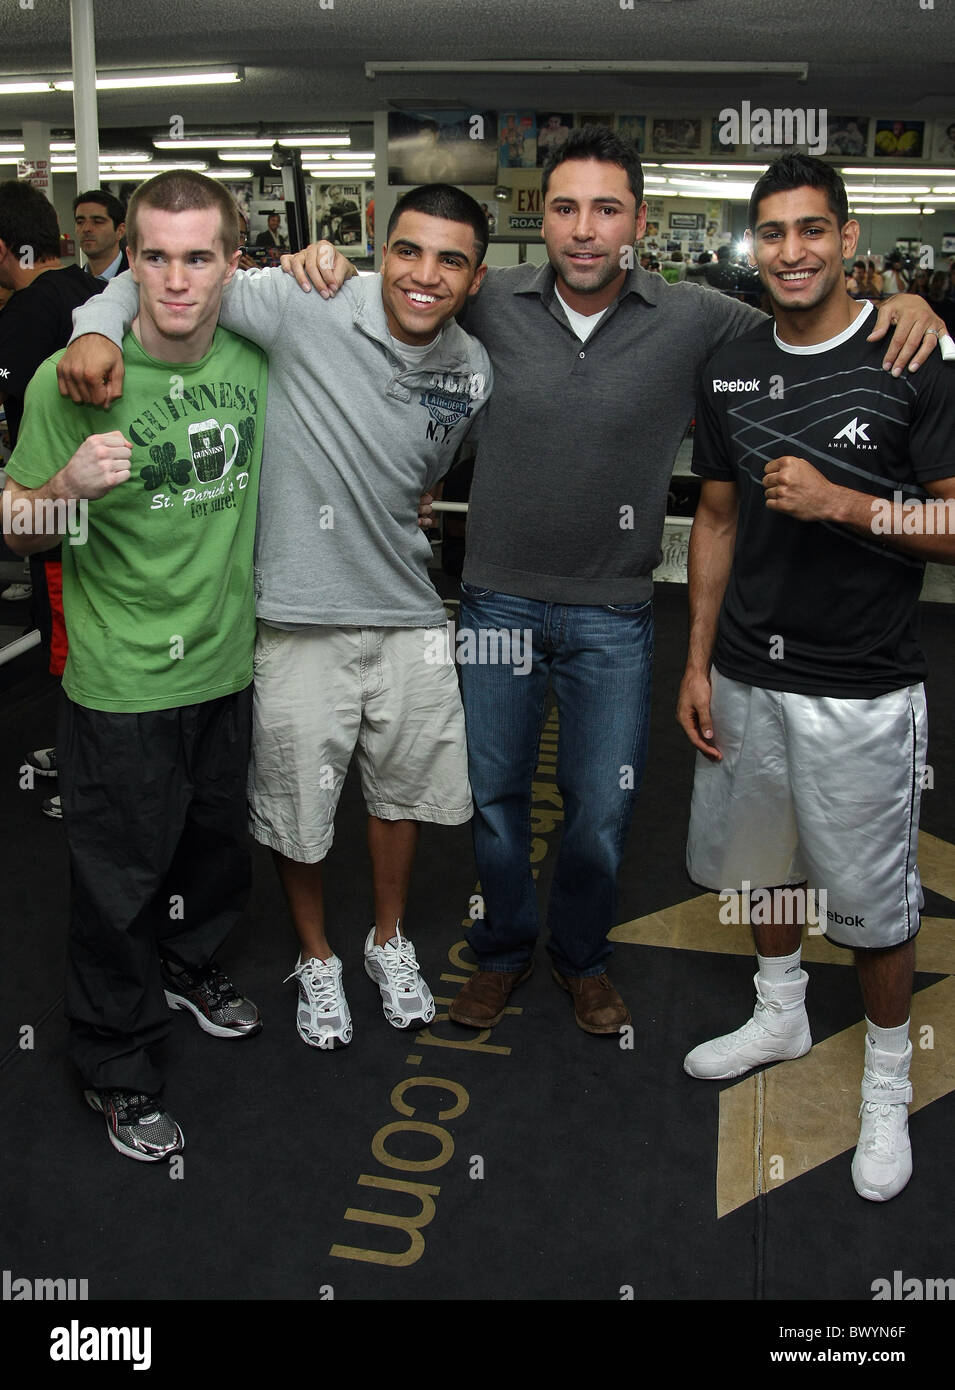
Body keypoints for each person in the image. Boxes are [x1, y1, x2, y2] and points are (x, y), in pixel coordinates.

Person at [278, 124, 944, 1039]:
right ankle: (504, 951)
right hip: (496, 601)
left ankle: (581, 960)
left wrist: (909, 305)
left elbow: (814, 324)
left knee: (599, 809)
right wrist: (320, 263)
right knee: (497, 801)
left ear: (636, 219)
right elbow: (398, 303)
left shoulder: (697, 317)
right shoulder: (485, 295)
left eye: (605, 209)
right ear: (539, 221)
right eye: (563, 208)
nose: (583, 229)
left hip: (617, 612)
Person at [56, 183, 493, 1054]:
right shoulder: (306, 299)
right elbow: (177, 275)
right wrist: (93, 329)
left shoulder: (472, 370)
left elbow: (430, 464)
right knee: (301, 806)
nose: (424, 275)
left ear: (474, 279)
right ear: (380, 247)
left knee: (400, 796)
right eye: (408, 250)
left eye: (450, 260)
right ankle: (317, 955)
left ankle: (388, 941)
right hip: (297, 615)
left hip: (408, 612)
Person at [677, 153, 955, 1203]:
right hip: (746, 671)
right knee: (763, 863)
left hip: (862, 686)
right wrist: (696, 660)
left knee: (876, 903)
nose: (790, 251)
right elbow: (712, 517)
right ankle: (779, 1006)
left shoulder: (912, 357)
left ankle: (887, 1082)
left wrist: (850, 505)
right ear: (755, 247)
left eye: (811, 230)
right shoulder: (732, 366)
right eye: (771, 233)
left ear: (846, 240)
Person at [4, 171, 268, 1161]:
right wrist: (65, 488)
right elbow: (17, 529)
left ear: (231, 262)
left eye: (199, 257)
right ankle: (115, 1064)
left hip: (227, 668)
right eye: (154, 256)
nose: (176, 279)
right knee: (115, 888)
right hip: (119, 683)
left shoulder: (257, 355)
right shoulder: (71, 379)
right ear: (127, 258)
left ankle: (192, 964)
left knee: (212, 851)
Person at [0, 180, 108, 811]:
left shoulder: (27, 310)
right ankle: (81, 755)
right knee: (77, 636)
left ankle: (85, 774)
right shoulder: (88, 289)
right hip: (96, 500)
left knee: (69, 644)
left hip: (65, 501)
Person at [73, 189, 128, 281]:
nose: (86, 229)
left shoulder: (139, 280)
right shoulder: (71, 285)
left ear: (120, 231)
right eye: (80, 222)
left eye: (97, 222)